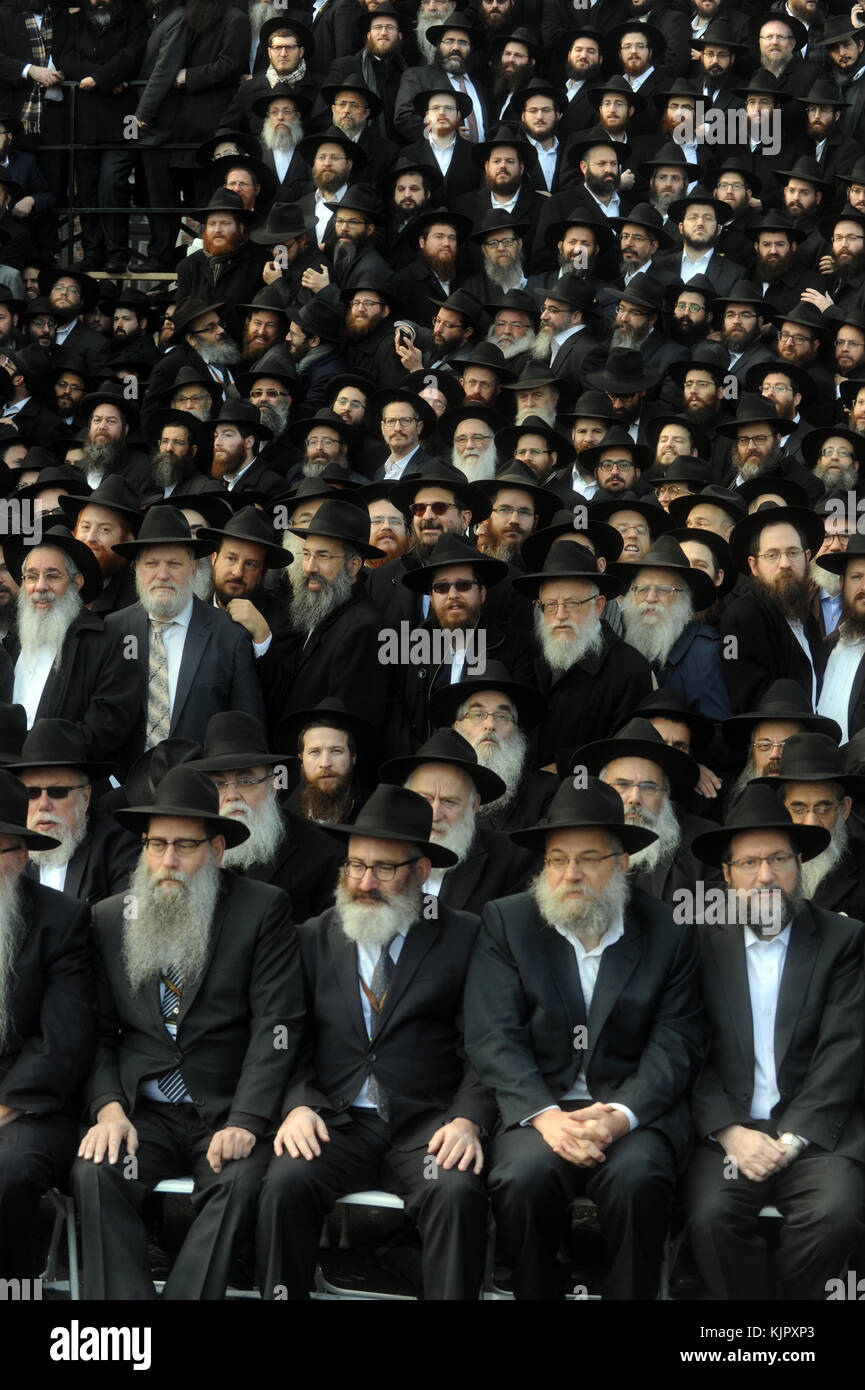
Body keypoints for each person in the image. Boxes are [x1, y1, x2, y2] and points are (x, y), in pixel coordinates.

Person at [464, 776, 703, 1299]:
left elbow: (676, 1044)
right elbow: (492, 1035)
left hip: (631, 1111)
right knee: (522, 1180)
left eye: (589, 858)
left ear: (621, 863)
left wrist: (620, 1117)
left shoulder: (668, 931)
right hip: (539, 1106)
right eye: (556, 859)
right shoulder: (508, 922)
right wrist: (547, 1118)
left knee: (639, 1180)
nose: (570, 873)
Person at [71, 765, 303, 1300]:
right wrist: (108, 1108)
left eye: (184, 846)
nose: (168, 861)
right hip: (142, 1113)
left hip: (222, 1110)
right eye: (156, 845)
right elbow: (97, 1033)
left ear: (217, 849)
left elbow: (278, 1025)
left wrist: (247, 1119)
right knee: (95, 1171)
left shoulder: (263, 909)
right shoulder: (110, 918)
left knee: (242, 1180)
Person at [255, 783, 493, 1301]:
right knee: (285, 1183)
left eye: (384, 868)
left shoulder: (466, 936)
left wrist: (467, 1119)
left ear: (422, 871)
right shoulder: (310, 937)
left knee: (456, 1191)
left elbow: (486, 1043)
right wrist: (296, 1105)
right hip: (335, 1123)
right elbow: (283, 1038)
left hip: (428, 1126)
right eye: (355, 865)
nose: (364, 881)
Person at [686, 783, 865, 1300]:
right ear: (726, 875)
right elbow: (685, 1047)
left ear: (800, 865)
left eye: (779, 860)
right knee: (711, 1219)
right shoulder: (697, 943)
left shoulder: (842, 940)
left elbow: (844, 1051)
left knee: (836, 1216)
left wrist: (792, 1140)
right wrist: (728, 1131)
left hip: (815, 1135)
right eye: (749, 864)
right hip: (729, 1133)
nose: (765, 876)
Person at [0, 767, 94, 1279]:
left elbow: (65, 1039)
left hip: (34, 1106)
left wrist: (5, 1105)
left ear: (20, 856)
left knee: (9, 1172)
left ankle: (15, 1290)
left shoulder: (63, 920)